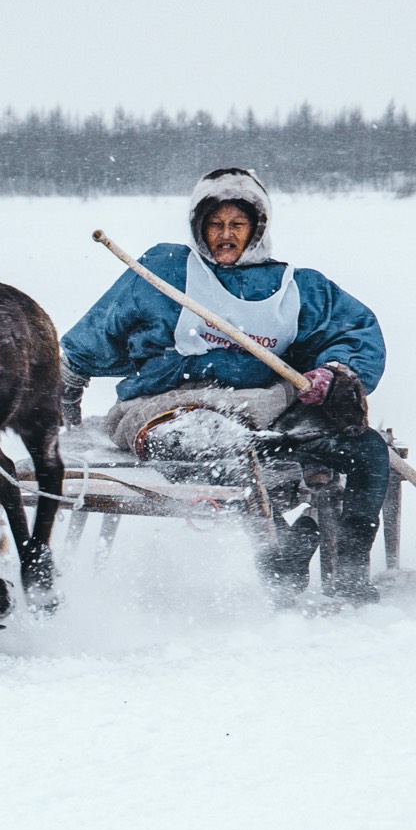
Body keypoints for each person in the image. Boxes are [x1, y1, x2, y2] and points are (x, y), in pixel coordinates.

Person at [59, 167, 389, 603]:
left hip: (267, 405)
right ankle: (278, 551)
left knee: (366, 447)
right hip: (167, 405)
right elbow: (99, 332)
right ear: (200, 227)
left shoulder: (297, 288)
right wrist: (67, 379)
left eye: (237, 225)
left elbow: (356, 333)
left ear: (258, 228)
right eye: (215, 224)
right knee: (218, 449)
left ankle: (351, 565)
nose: (226, 235)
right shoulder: (166, 272)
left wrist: (334, 374)